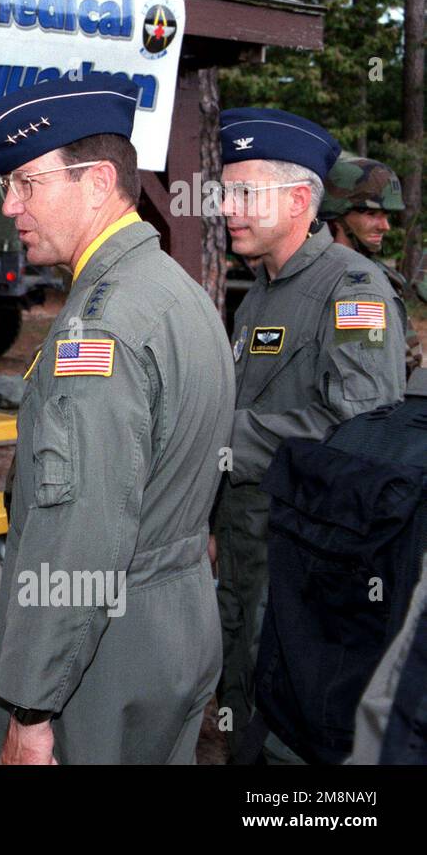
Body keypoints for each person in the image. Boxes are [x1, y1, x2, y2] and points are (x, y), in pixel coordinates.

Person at [0, 74, 233, 764]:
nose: (9, 205)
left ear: (97, 182)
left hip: (100, 654)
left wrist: (31, 705)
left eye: (26, 182)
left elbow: (80, 531)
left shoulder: (101, 328)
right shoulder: (178, 291)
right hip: (174, 625)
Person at [212, 108, 406, 763]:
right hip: (248, 547)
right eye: (224, 191)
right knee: (240, 708)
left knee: (289, 735)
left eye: (245, 193)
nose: (227, 208)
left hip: (304, 566)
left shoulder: (354, 290)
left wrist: (222, 440)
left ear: (299, 200)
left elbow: (360, 425)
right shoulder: (263, 289)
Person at [320, 152, 421, 377]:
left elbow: (407, 361)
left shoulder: (381, 276)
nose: (384, 226)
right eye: (372, 213)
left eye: (385, 215)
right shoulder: (337, 281)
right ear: (337, 216)